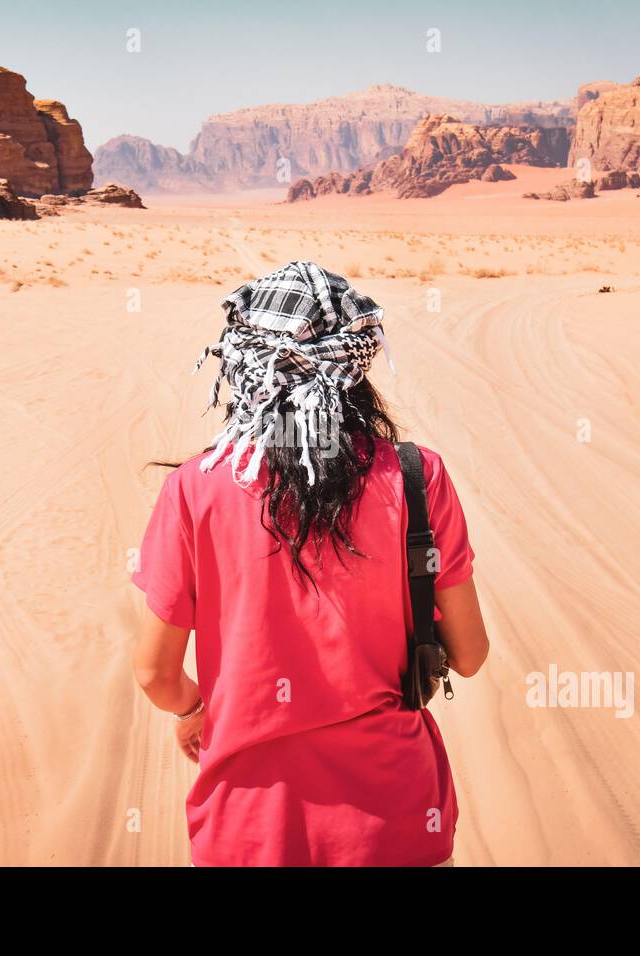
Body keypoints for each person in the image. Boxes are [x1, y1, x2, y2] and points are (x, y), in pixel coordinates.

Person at [131, 261, 489, 866]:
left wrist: (195, 711)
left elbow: (154, 675)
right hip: (397, 822)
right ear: (356, 364)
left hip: (248, 830)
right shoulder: (416, 475)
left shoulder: (196, 488)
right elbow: (471, 655)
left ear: (243, 363)